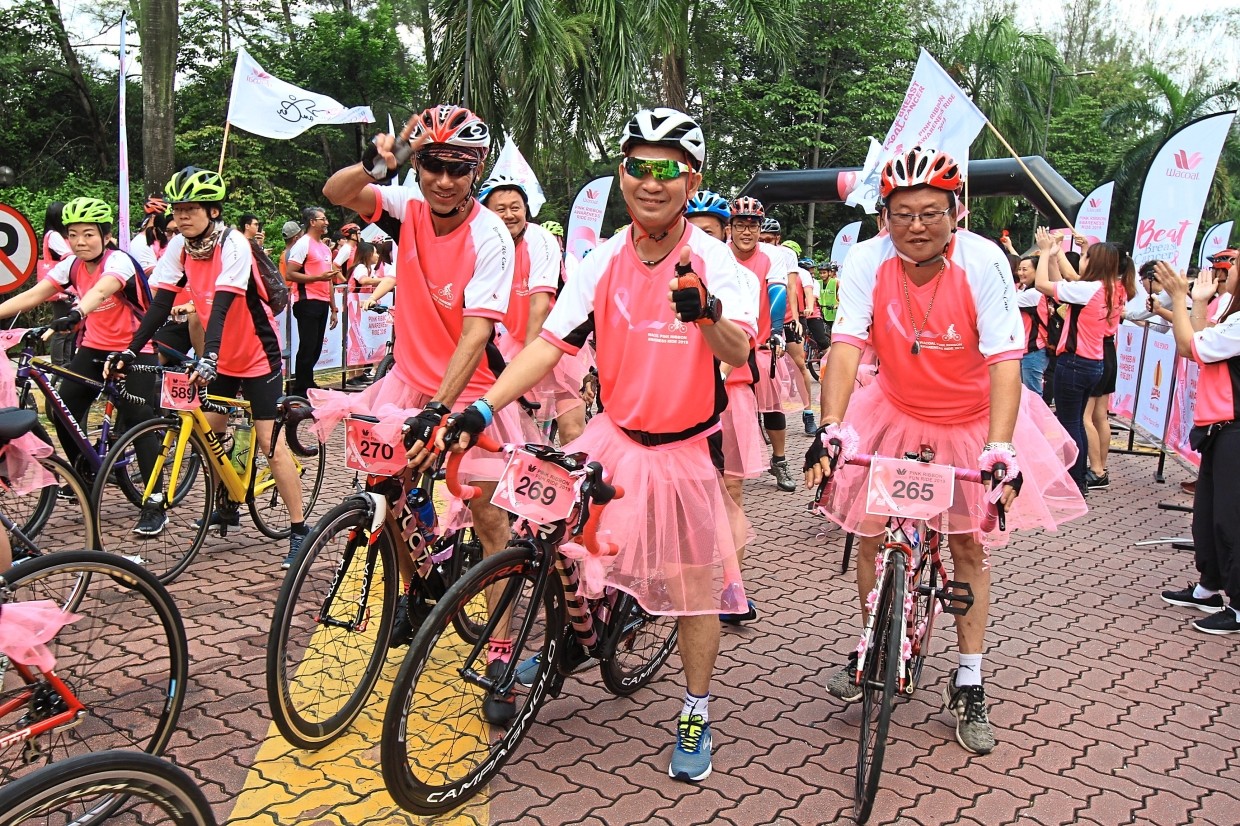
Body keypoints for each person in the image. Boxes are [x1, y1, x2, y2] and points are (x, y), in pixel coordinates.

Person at [438, 107, 755, 782]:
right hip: (614, 438)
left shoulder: (715, 262)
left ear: (691, 178)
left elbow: (739, 348)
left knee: (694, 588)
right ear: (622, 174)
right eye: (639, 166)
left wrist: (709, 315)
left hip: (685, 451)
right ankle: (571, 641)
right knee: (550, 536)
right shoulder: (604, 259)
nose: (652, 181)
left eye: (668, 169)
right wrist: (482, 408)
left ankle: (695, 710)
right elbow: (548, 344)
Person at [806, 146, 1085, 756]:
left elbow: (1006, 361)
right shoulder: (865, 260)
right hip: (896, 411)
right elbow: (848, 345)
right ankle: (873, 641)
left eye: (930, 211)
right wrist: (831, 425)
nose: (916, 225)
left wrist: (1000, 447)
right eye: (902, 212)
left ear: (955, 211)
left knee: (966, 545)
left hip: (972, 417)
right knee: (873, 530)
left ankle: (969, 677)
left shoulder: (982, 261)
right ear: (885, 216)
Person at [315, 103, 523, 664]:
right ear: (420, 164)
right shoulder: (408, 207)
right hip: (405, 381)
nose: (445, 180)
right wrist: (373, 165)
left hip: (471, 392)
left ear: (475, 171)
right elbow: (338, 193)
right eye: (433, 165)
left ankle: (500, 644)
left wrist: (440, 409)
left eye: (459, 168)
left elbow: (477, 332)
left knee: (489, 521)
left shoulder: (491, 237)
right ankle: (415, 586)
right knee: (386, 491)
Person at [104, 166, 307, 567]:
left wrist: (208, 356)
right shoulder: (180, 246)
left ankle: (300, 529)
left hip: (256, 354)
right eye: (178, 209)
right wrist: (130, 350)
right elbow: (160, 303)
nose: (182, 216)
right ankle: (228, 503)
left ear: (213, 211)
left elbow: (223, 305)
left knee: (269, 443)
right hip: (222, 357)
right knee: (212, 436)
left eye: (192, 209)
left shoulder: (234, 245)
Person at [0, 197, 165, 530]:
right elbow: (36, 294)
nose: (80, 241)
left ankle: (155, 501)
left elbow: (103, 290)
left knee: (139, 420)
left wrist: (77, 312)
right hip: (94, 347)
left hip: (135, 349)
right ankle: (85, 471)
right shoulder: (72, 265)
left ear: (104, 236)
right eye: (73, 234)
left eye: (88, 234)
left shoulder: (118, 261)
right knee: (59, 408)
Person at [686, 191, 762, 625]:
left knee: (729, 491)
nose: (699, 241)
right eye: (692, 231)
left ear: (725, 233)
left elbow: (735, 346)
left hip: (727, 397)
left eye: (710, 233)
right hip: (671, 401)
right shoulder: (664, 270)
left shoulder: (741, 280)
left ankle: (733, 583)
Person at [1157, 261, 1240, 634]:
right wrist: (1200, 302)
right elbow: (1201, 337)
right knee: (1207, 514)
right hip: (1219, 428)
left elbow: (1189, 345)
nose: (1223, 270)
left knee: (1230, 519)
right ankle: (1209, 587)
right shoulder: (1232, 314)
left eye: (1232, 264)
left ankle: (1238, 606)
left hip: (1235, 430)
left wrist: (1179, 298)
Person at [479, 174, 586, 443]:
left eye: (516, 207)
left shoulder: (541, 241)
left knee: (572, 430)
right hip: (515, 342)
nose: (509, 215)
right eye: (500, 209)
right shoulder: (486, 246)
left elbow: (540, 307)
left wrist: (524, 370)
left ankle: (578, 481)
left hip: (557, 341)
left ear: (526, 209)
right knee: (516, 433)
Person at [1033, 228, 1133, 496]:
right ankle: (1079, 478)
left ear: (1097, 263)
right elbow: (1062, 287)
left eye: (1087, 256)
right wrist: (1054, 257)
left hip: (1076, 363)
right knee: (1077, 420)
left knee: (1070, 423)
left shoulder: (1090, 290)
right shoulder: (1114, 289)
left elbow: (1043, 285)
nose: (1082, 260)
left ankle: (1074, 481)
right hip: (1094, 363)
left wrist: (1044, 253)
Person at [727, 196, 797, 492]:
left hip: (762, 342)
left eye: (752, 226)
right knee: (724, 407)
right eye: (740, 225)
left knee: (772, 406)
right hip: (728, 342)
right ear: (729, 227)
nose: (747, 232)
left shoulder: (771, 254)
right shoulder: (719, 253)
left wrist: (777, 331)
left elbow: (778, 291)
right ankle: (726, 463)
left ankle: (779, 461)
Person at [285, 206, 341, 395]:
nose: (326, 222)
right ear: (312, 222)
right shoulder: (303, 244)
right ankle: (300, 387)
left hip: (323, 302)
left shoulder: (325, 248)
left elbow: (329, 279)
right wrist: (316, 278)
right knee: (308, 345)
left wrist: (334, 308)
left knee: (316, 346)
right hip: (306, 300)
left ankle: (306, 382)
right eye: (322, 219)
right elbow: (290, 273)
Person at [40, 201, 76, 368]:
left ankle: (66, 364)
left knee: (68, 330)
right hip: (62, 286)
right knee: (61, 330)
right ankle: (59, 365)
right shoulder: (53, 235)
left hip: (67, 286)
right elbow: (68, 255)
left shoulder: (59, 234)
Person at [1016, 254, 1051, 394]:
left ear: (1038, 271)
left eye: (1025, 269)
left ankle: (1037, 417)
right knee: (1027, 394)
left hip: (1033, 351)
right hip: (1029, 350)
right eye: (1019, 269)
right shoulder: (1028, 291)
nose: (1020, 273)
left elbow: (1004, 302)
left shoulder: (1034, 293)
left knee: (1033, 396)